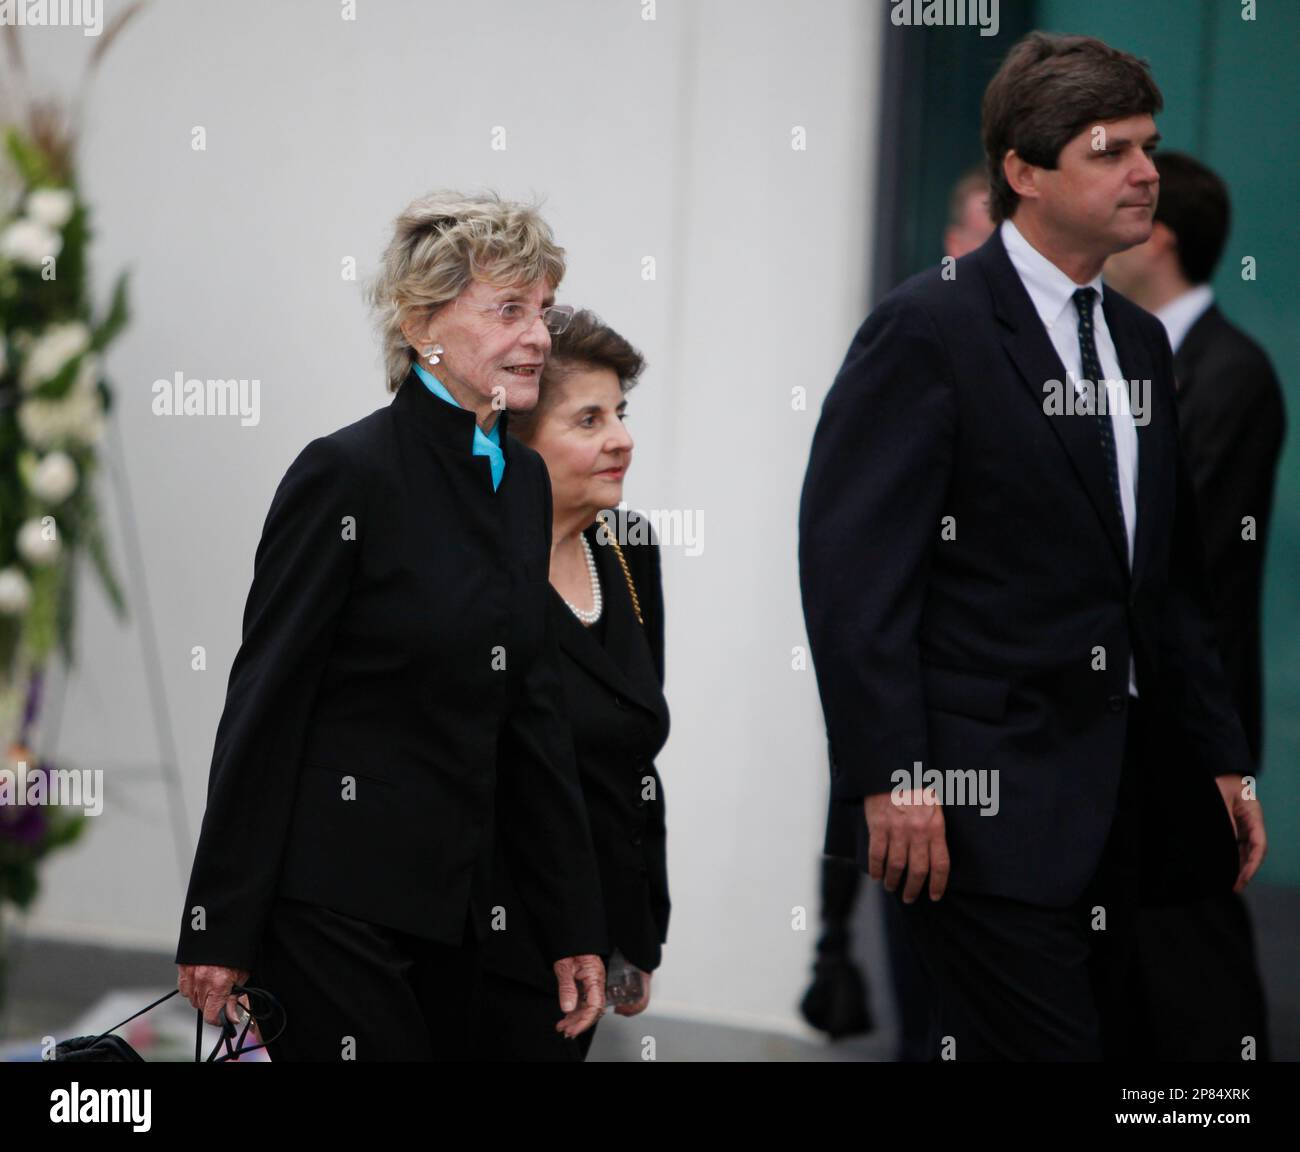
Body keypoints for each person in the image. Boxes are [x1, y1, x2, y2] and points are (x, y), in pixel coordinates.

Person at [799, 32, 1266, 1061]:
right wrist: (892, 775)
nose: (1145, 173)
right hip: (972, 816)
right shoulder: (928, 329)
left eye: (1148, 146)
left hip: (1119, 810)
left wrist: (1222, 760)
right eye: (1110, 151)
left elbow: (1165, 583)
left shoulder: (1139, 342)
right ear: (1023, 171)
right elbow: (853, 580)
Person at [174, 190, 608, 1060]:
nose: (538, 338)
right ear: (422, 326)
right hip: (330, 907)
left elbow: (532, 714)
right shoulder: (346, 475)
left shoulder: (522, 484)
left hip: (458, 914)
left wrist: (572, 920)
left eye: (545, 312)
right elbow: (267, 699)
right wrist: (218, 922)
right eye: (510, 310)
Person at [1105, 152, 1283, 1059]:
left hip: (1186, 722)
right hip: (1123, 729)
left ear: (1159, 235)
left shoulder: (1230, 372)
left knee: (1195, 971)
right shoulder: (1113, 352)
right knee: (1132, 972)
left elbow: (1186, 557)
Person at [471, 310, 670, 1060]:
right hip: (490, 941)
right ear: (515, 440)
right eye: (588, 419)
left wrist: (637, 927)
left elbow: (632, 756)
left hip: (592, 947)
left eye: (620, 413)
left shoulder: (629, 550)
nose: (620, 437)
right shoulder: (478, 564)